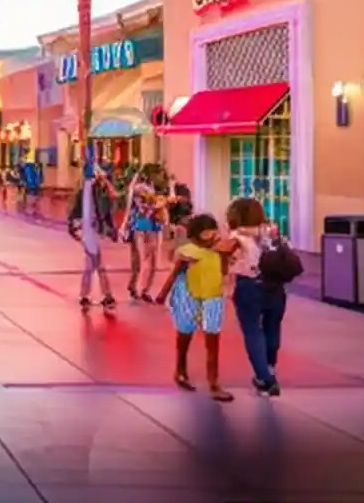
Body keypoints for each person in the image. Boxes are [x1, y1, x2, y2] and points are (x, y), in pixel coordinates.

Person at [224, 197, 301, 397]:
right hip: (275, 287)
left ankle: (265, 378)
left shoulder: (237, 237)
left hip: (249, 286)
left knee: (252, 331)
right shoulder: (273, 233)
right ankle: (270, 367)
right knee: (272, 329)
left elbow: (222, 253)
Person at [156, 213, 234, 403]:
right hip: (188, 294)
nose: (211, 235)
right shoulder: (187, 251)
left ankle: (214, 382)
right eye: (206, 232)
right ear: (197, 234)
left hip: (213, 295)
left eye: (213, 231)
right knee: (184, 335)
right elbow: (175, 273)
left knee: (213, 337)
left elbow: (225, 269)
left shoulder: (220, 250)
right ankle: (180, 370)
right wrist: (162, 294)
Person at [69, 160, 117, 311]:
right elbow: (76, 211)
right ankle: (106, 295)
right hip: (87, 230)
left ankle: (86, 295)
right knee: (96, 263)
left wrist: (103, 180)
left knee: (91, 264)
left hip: (97, 230)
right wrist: (74, 227)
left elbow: (113, 196)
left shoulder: (99, 191)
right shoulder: (84, 191)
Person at [122, 168, 164, 302]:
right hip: (140, 226)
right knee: (141, 260)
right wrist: (124, 225)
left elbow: (159, 205)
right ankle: (137, 287)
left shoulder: (157, 191)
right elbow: (132, 204)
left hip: (153, 227)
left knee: (152, 261)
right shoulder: (139, 189)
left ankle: (143, 289)